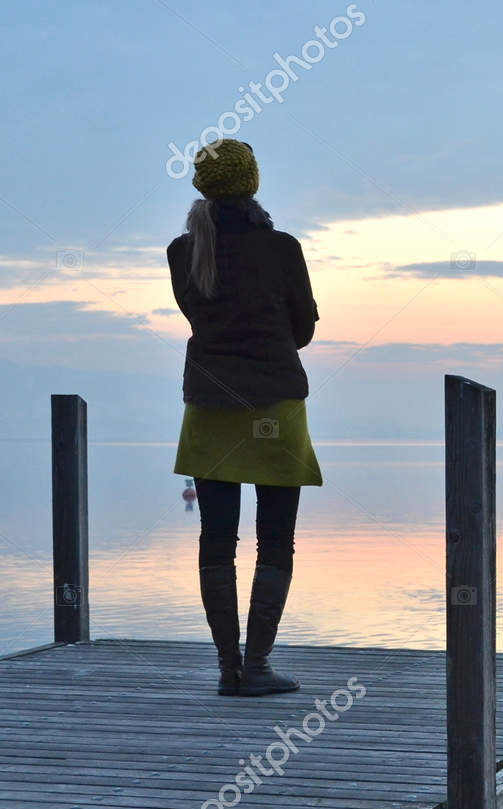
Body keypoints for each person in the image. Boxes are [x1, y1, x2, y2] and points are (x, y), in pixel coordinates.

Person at [167, 139, 322, 697]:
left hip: (208, 409)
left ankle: (228, 668)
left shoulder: (181, 251)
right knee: (275, 539)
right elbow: (302, 328)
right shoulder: (281, 248)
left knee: (216, 538)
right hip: (275, 409)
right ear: (252, 184)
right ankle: (256, 666)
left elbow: (199, 320)